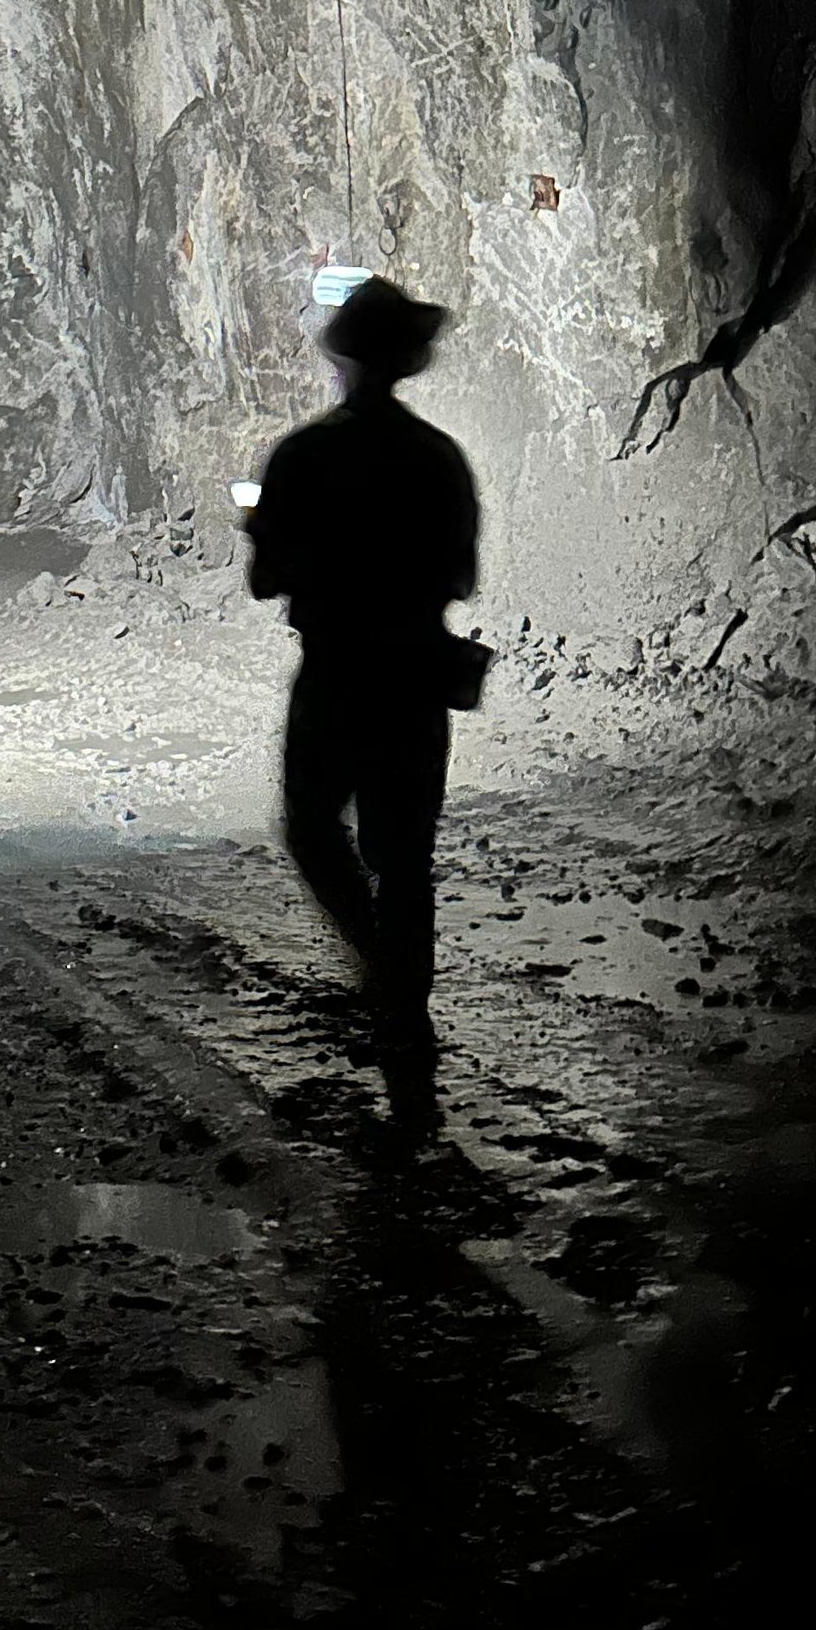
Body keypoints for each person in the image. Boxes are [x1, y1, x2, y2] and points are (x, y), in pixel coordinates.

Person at [244, 277, 481, 1064]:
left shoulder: (304, 455)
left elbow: (265, 579)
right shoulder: (437, 458)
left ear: (342, 360)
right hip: (414, 676)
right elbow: (459, 578)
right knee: (405, 854)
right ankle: (405, 1004)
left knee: (315, 829)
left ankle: (381, 973)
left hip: (337, 673)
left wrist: (262, 533)